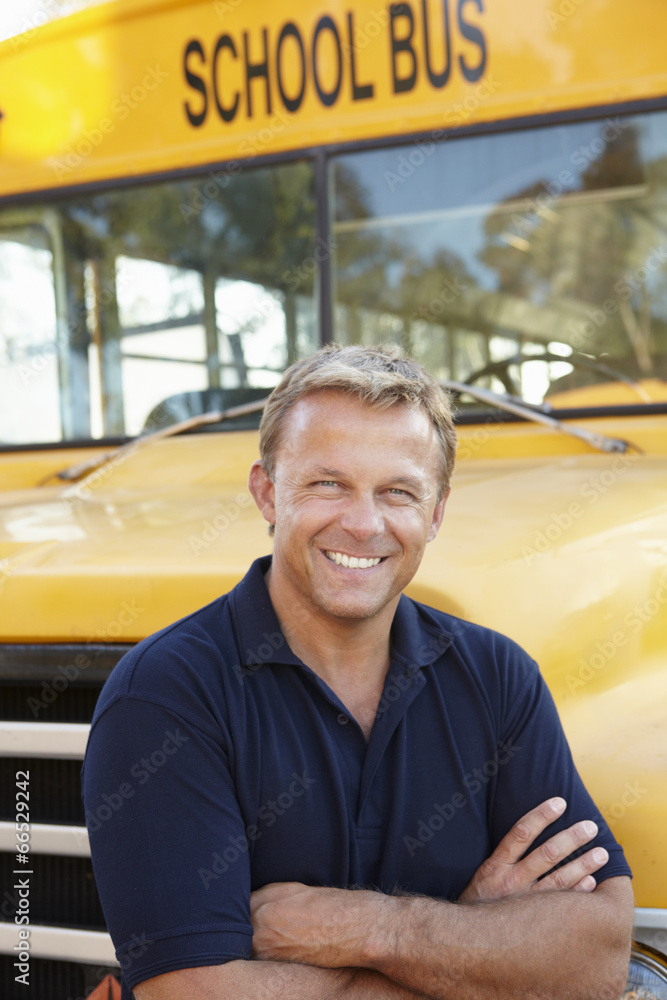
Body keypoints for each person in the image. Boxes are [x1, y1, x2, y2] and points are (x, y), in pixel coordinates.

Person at [82, 345, 633, 1000]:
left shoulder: (497, 677)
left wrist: (374, 929)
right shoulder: (166, 694)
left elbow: (599, 960)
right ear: (266, 492)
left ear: (435, 512)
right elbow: (191, 993)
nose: (364, 524)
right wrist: (478, 947)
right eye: (327, 484)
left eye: (398, 492)